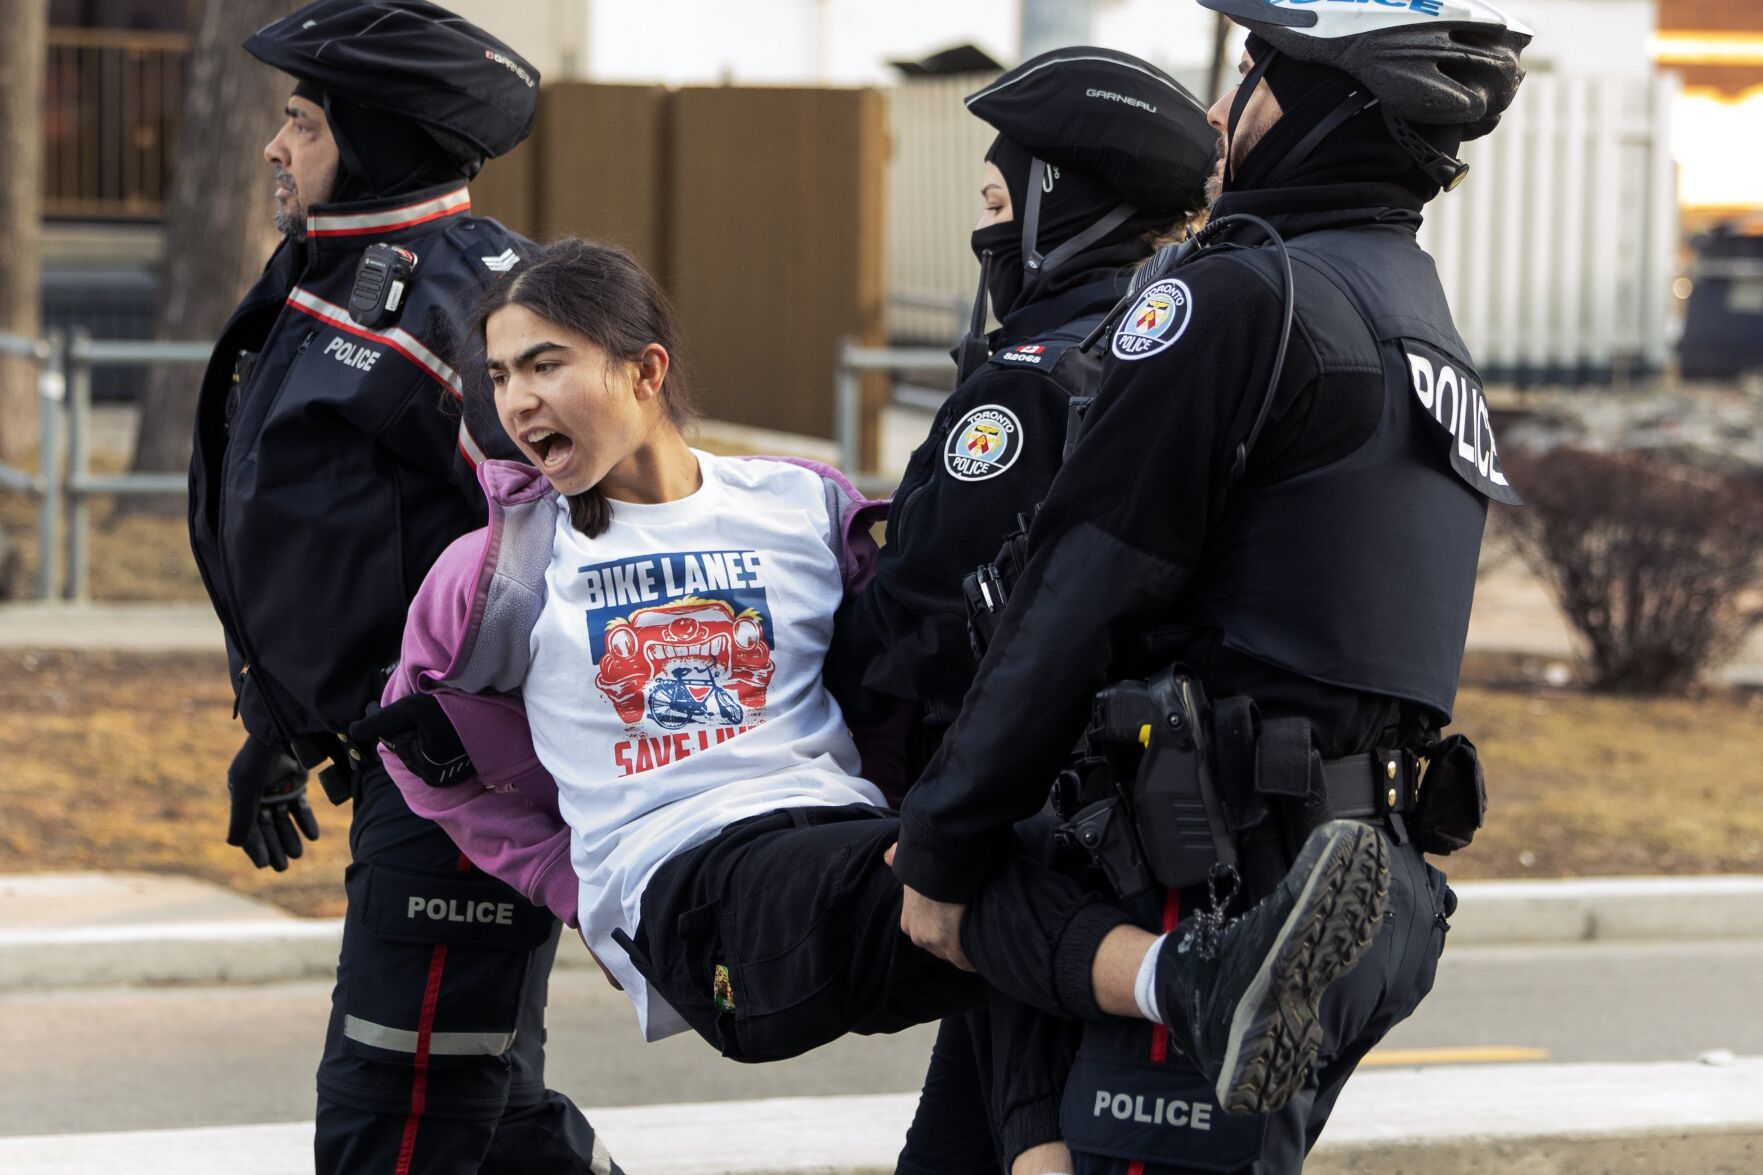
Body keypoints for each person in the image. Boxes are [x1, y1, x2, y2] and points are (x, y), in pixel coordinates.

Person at [362, 237, 1392, 1175]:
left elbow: (898, 663)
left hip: (849, 840)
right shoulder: (501, 570)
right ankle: (1194, 982)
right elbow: (419, 751)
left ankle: (1042, 1155)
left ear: (644, 370)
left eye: (544, 364)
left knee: (1023, 861)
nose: (517, 402)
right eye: (501, 375)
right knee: (935, 863)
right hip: (696, 892)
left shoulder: (800, 505)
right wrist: (572, 880)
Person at [888, 1, 1532, 1171]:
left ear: (1323, 104)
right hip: (1350, 872)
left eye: (1253, 71)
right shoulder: (1417, 318)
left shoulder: (1240, 297)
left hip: (1210, 890)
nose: (1224, 109)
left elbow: (1079, 586)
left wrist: (941, 842)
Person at [185, 3, 618, 1171]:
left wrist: (451, 724)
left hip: (460, 777)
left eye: (303, 122)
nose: (276, 146)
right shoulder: (330, 268)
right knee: (492, 1110)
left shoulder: (478, 304)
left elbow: (581, 532)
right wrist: (281, 724)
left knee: (398, 1103)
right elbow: (323, 536)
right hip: (393, 757)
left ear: (375, 140)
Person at [823, 47, 1216, 1172]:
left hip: (1016, 825)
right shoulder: (1170, 345)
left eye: (999, 205)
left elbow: (923, 610)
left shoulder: (1029, 378)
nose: (984, 235)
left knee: (1025, 1131)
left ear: (1059, 205)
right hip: (1125, 813)